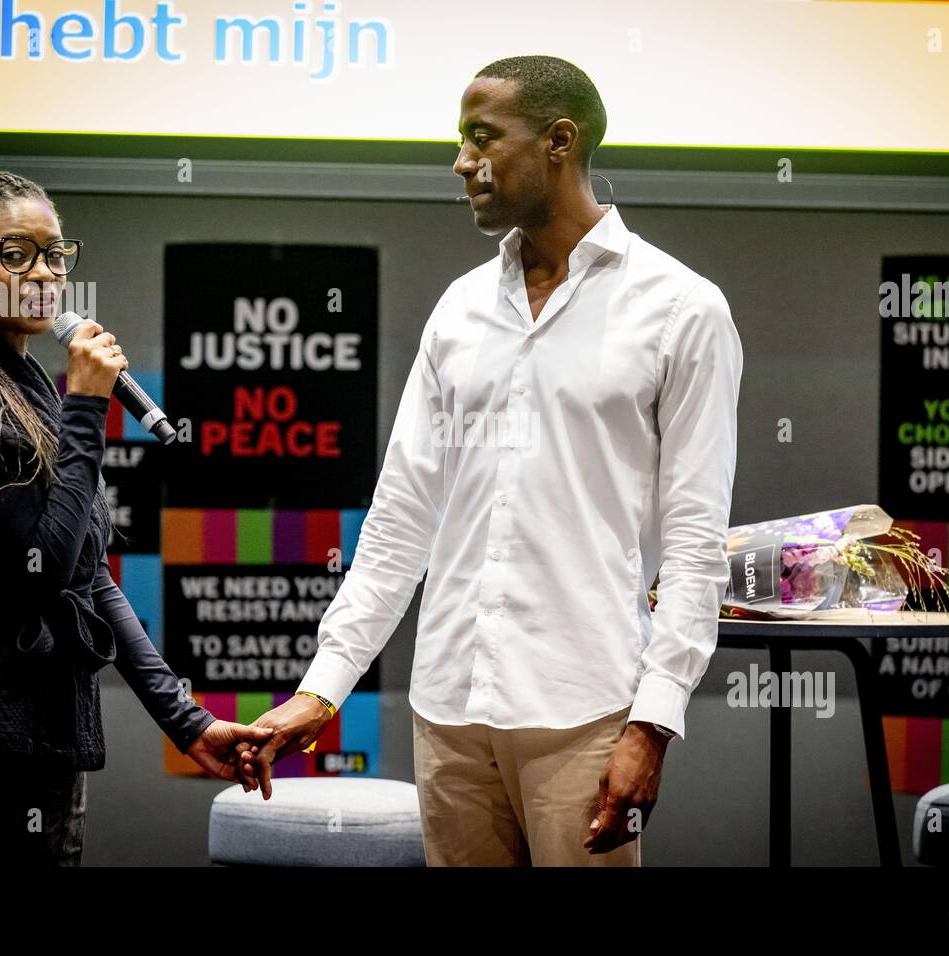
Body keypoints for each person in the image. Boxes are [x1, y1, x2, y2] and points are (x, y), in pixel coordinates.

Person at [239, 56, 744, 867]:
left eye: (482, 138)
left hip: (586, 711)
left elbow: (694, 542)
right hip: (449, 710)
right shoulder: (461, 308)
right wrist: (321, 688)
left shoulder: (682, 309)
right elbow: (402, 515)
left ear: (559, 140)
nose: (461, 162)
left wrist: (653, 722)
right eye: (460, 140)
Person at [0, 170, 272, 866]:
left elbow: (88, 578)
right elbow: (43, 575)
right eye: (15, 254)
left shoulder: (25, 387)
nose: (43, 273)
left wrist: (186, 721)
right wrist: (89, 409)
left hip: (40, 727)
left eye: (54, 254)